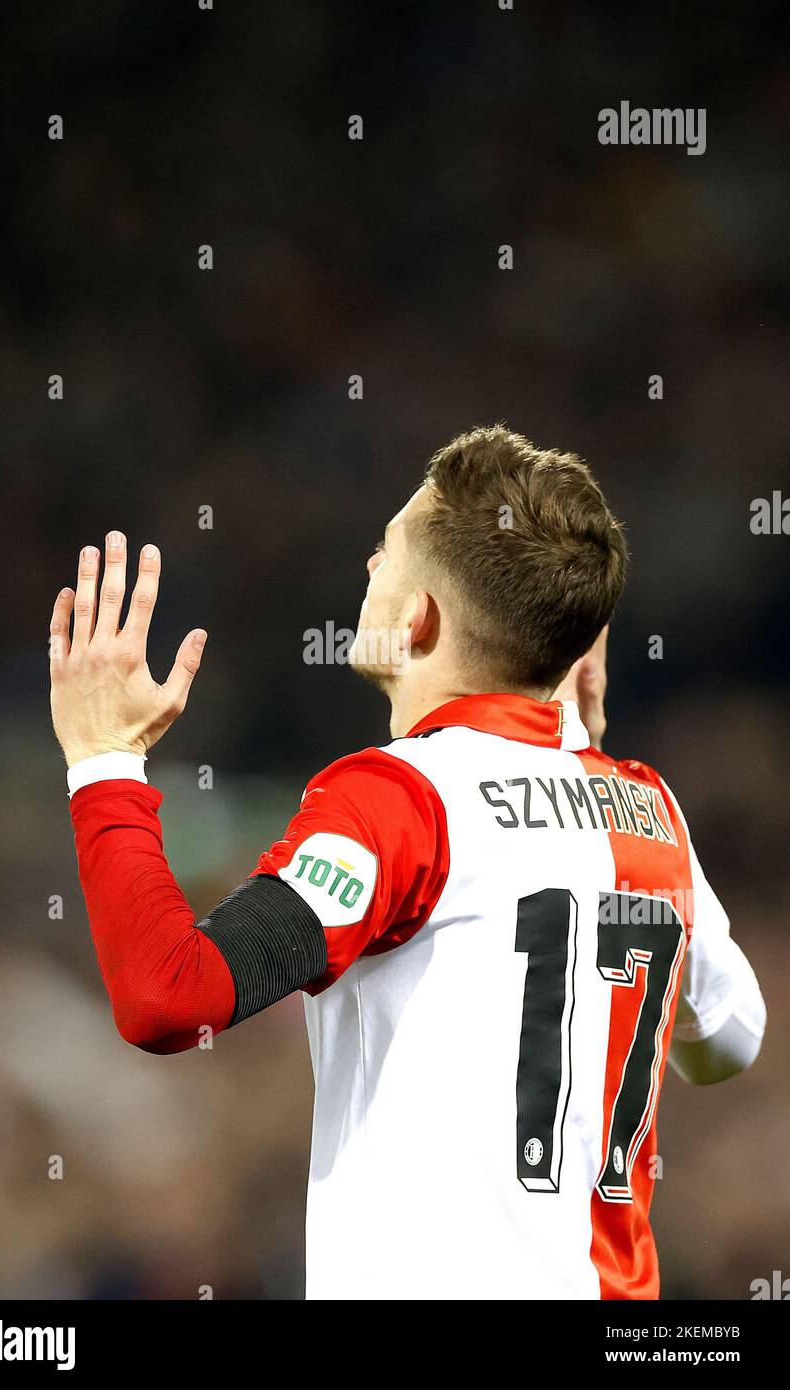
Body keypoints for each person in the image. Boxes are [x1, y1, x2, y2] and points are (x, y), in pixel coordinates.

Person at [49, 424, 765, 1300]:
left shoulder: (400, 800)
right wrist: (578, 755)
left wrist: (104, 760)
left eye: (385, 554)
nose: (368, 570)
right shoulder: (652, 814)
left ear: (418, 618)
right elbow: (731, 1040)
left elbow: (168, 997)